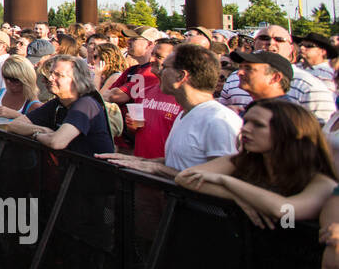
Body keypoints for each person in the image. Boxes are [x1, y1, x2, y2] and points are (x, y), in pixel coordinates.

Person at [175, 99, 338, 228]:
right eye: (246, 122)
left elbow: (284, 210)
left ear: (288, 132)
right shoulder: (242, 161)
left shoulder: (322, 182)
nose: (245, 129)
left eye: (258, 125)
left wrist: (226, 181)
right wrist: (236, 196)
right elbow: (184, 177)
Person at [99, 44, 242, 178]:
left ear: (181, 76)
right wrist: (141, 161)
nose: (160, 71)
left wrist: (157, 169)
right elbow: (181, 163)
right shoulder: (186, 113)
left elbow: (220, 178)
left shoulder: (219, 120)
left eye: (165, 67)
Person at [0, 55, 114, 155]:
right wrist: (41, 129)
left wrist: (35, 135)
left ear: (78, 80)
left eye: (59, 75)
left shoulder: (86, 104)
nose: (51, 78)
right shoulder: (58, 103)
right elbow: (14, 125)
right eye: (51, 73)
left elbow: (56, 142)